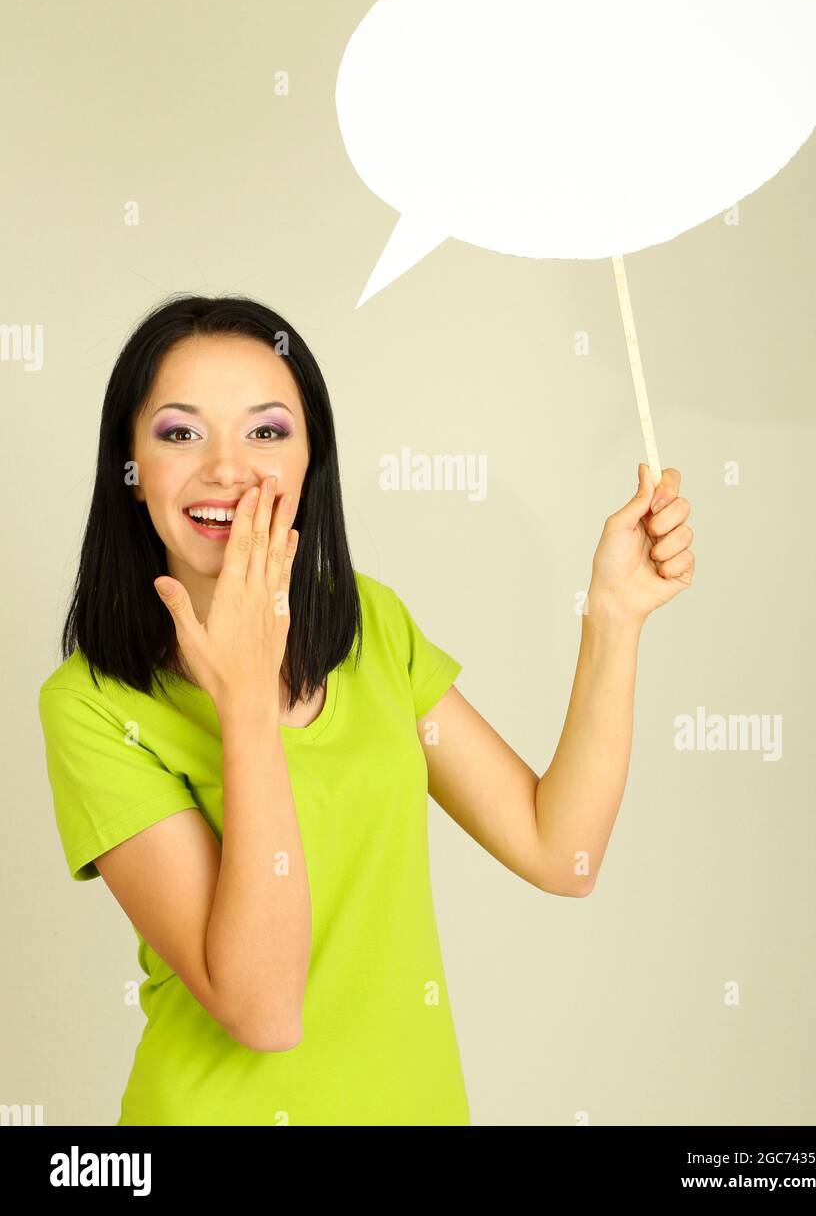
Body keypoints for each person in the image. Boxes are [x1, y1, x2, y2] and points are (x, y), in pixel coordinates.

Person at [38, 293, 695, 1126]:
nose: (227, 469)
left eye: (267, 432)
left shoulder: (369, 624)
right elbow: (265, 1012)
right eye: (179, 433)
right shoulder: (91, 706)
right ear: (130, 471)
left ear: (313, 461)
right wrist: (247, 699)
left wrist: (613, 618)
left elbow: (559, 853)